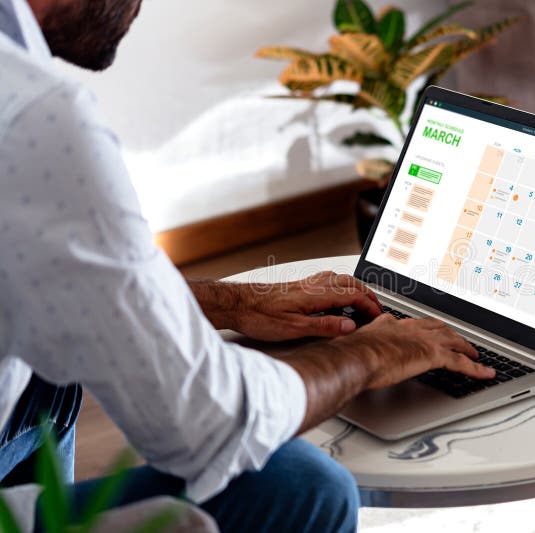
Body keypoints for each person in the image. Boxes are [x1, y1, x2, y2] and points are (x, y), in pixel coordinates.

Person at [0, 0, 496, 531]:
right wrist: (372, 352)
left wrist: (234, 300)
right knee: (303, 488)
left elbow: (58, 280)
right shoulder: (37, 112)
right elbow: (205, 427)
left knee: (44, 356)